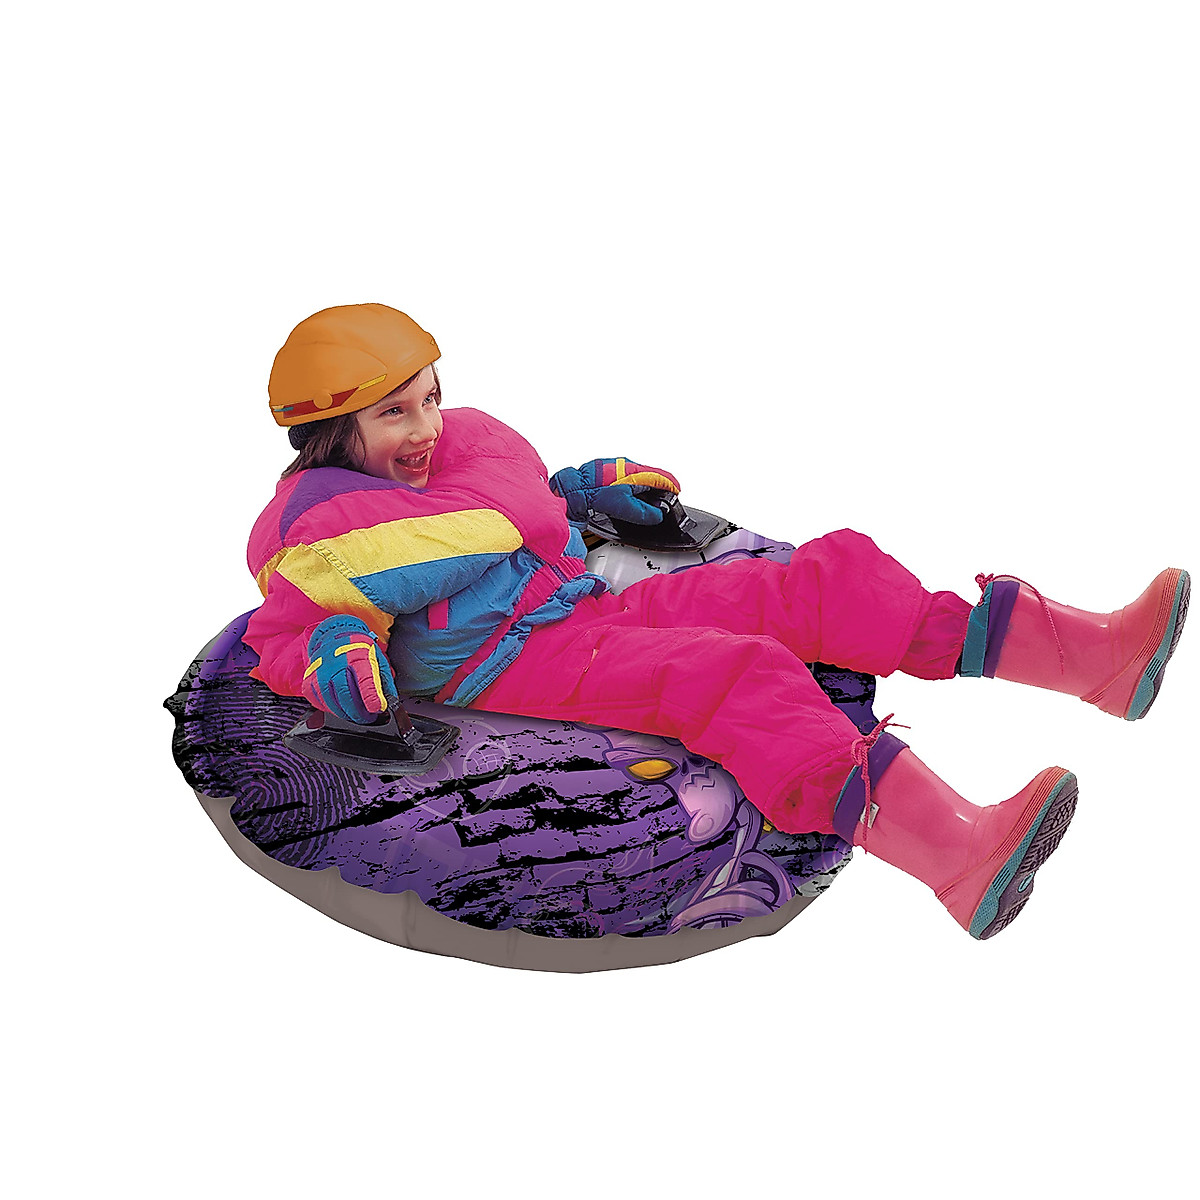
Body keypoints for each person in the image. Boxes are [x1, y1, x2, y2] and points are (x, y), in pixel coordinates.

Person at [245, 303, 1190, 941]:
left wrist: (582, 491)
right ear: (334, 435)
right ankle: (957, 852)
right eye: (393, 414)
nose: (424, 427)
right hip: (511, 664)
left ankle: (1089, 659)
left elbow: (517, 511)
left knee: (820, 582)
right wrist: (338, 658)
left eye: (429, 398)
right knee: (734, 674)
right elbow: (285, 638)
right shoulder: (319, 536)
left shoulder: (450, 460)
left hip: (581, 600)